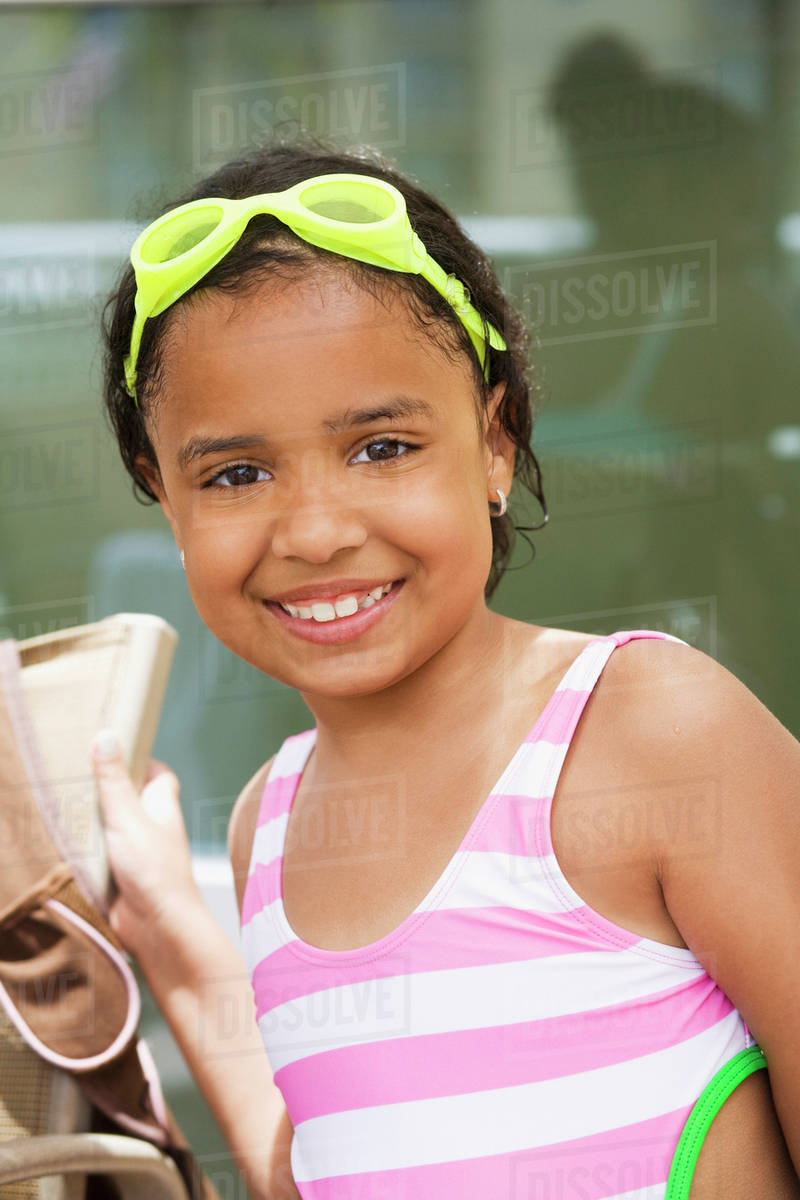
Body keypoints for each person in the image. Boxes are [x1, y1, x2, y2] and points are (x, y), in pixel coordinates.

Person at [88, 137, 800, 1199]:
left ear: (496, 443)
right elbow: (325, 1172)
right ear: (165, 500)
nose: (316, 531)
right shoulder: (265, 830)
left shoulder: (649, 732)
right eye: (237, 473)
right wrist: (181, 955)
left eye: (381, 447)